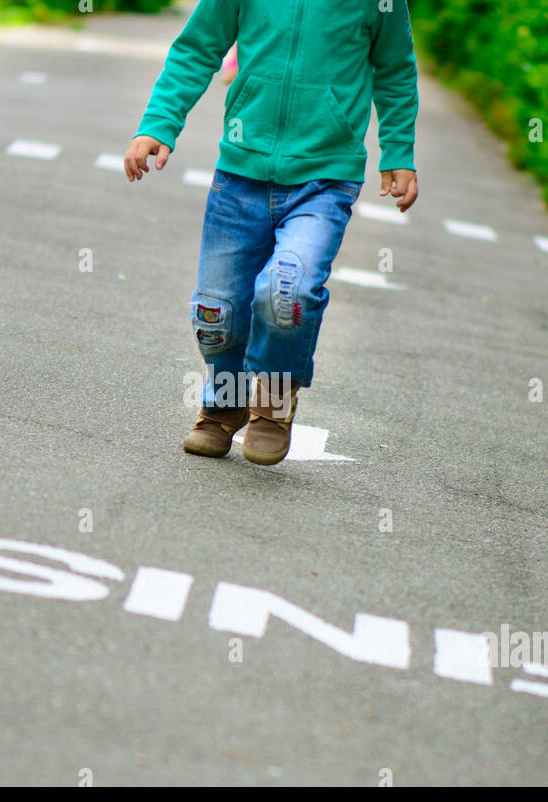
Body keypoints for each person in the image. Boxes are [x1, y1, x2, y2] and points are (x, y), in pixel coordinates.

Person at [124, 0, 419, 465]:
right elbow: (197, 47)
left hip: (324, 180)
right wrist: (160, 122)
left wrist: (398, 151)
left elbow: (395, 69)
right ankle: (225, 404)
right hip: (240, 174)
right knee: (216, 312)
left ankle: (274, 405)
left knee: (288, 292)